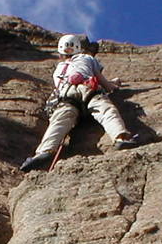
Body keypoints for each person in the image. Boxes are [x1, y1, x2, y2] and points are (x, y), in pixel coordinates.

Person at [20, 34, 138, 172]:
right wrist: (113, 84)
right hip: (87, 88)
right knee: (105, 110)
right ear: (78, 49)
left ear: (60, 52)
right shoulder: (87, 58)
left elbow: (59, 86)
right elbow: (101, 80)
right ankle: (120, 137)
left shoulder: (59, 69)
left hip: (65, 95)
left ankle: (44, 152)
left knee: (60, 121)